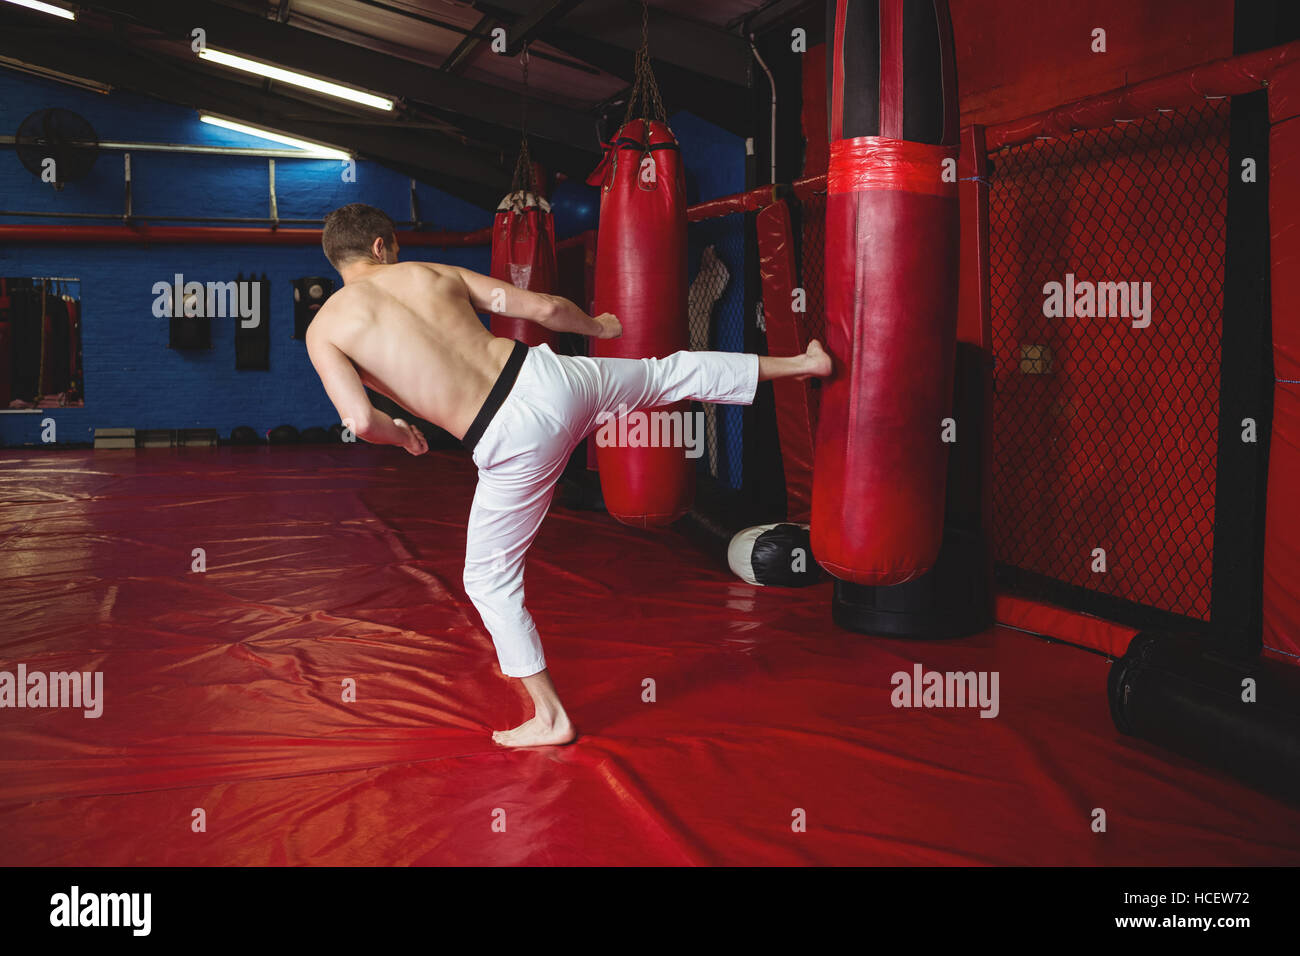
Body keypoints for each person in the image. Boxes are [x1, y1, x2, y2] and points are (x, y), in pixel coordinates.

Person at [308, 203, 831, 747]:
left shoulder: (326, 329)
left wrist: (403, 434)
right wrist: (597, 326)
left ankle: (551, 717)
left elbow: (361, 420)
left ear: (339, 259)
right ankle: (803, 365)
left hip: (509, 437)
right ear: (380, 246)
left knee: (487, 580)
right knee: (668, 372)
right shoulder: (430, 273)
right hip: (552, 377)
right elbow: (544, 307)